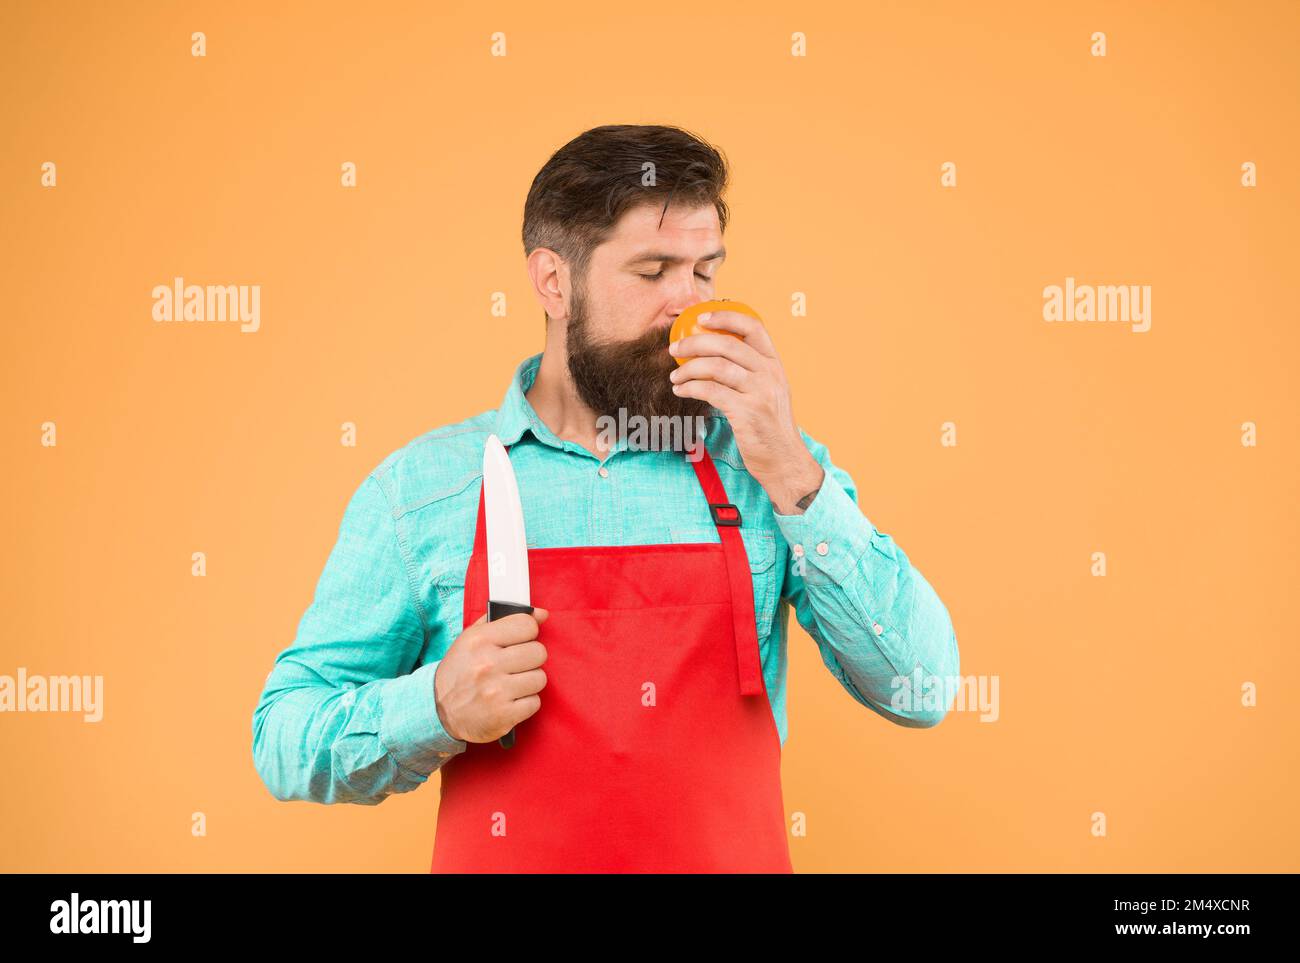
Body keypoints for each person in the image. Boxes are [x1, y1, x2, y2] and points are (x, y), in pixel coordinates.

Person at [251, 124, 960, 872]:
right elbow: (284, 735)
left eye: (704, 273)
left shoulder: (769, 465)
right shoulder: (424, 491)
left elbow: (923, 688)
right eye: (654, 272)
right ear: (553, 282)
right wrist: (435, 706)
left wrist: (788, 466)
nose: (689, 309)